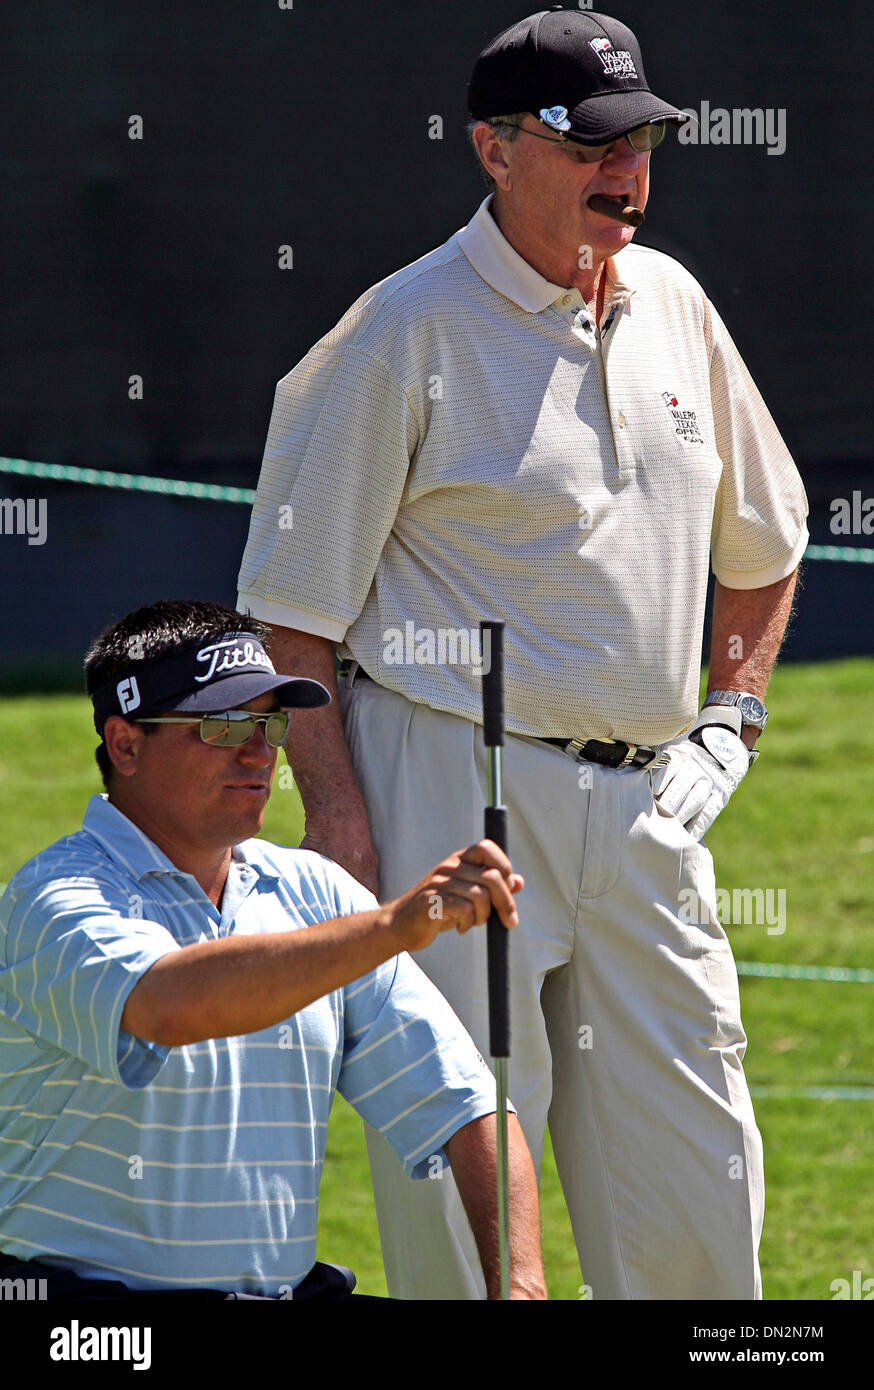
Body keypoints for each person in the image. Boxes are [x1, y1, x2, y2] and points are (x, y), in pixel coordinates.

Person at [236, 8, 808, 1300]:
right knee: (461, 1184)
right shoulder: (397, 332)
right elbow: (290, 610)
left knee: (699, 1185)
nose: (627, 170)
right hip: (449, 786)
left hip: (655, 802)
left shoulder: (672, 301)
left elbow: (766, 537)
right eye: (588, 142)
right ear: (493, 151)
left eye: (641, 140)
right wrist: (339, 813)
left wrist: (733, 714)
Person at [0, 599, 546, 1301]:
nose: (261, 751)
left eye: (269, 723)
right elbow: (170, 1005)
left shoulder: (315, 894)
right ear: (126, 743)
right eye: (223, 725)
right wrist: (392, 927)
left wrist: (521, 1286)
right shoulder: (54, 897)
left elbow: (468, 1107)